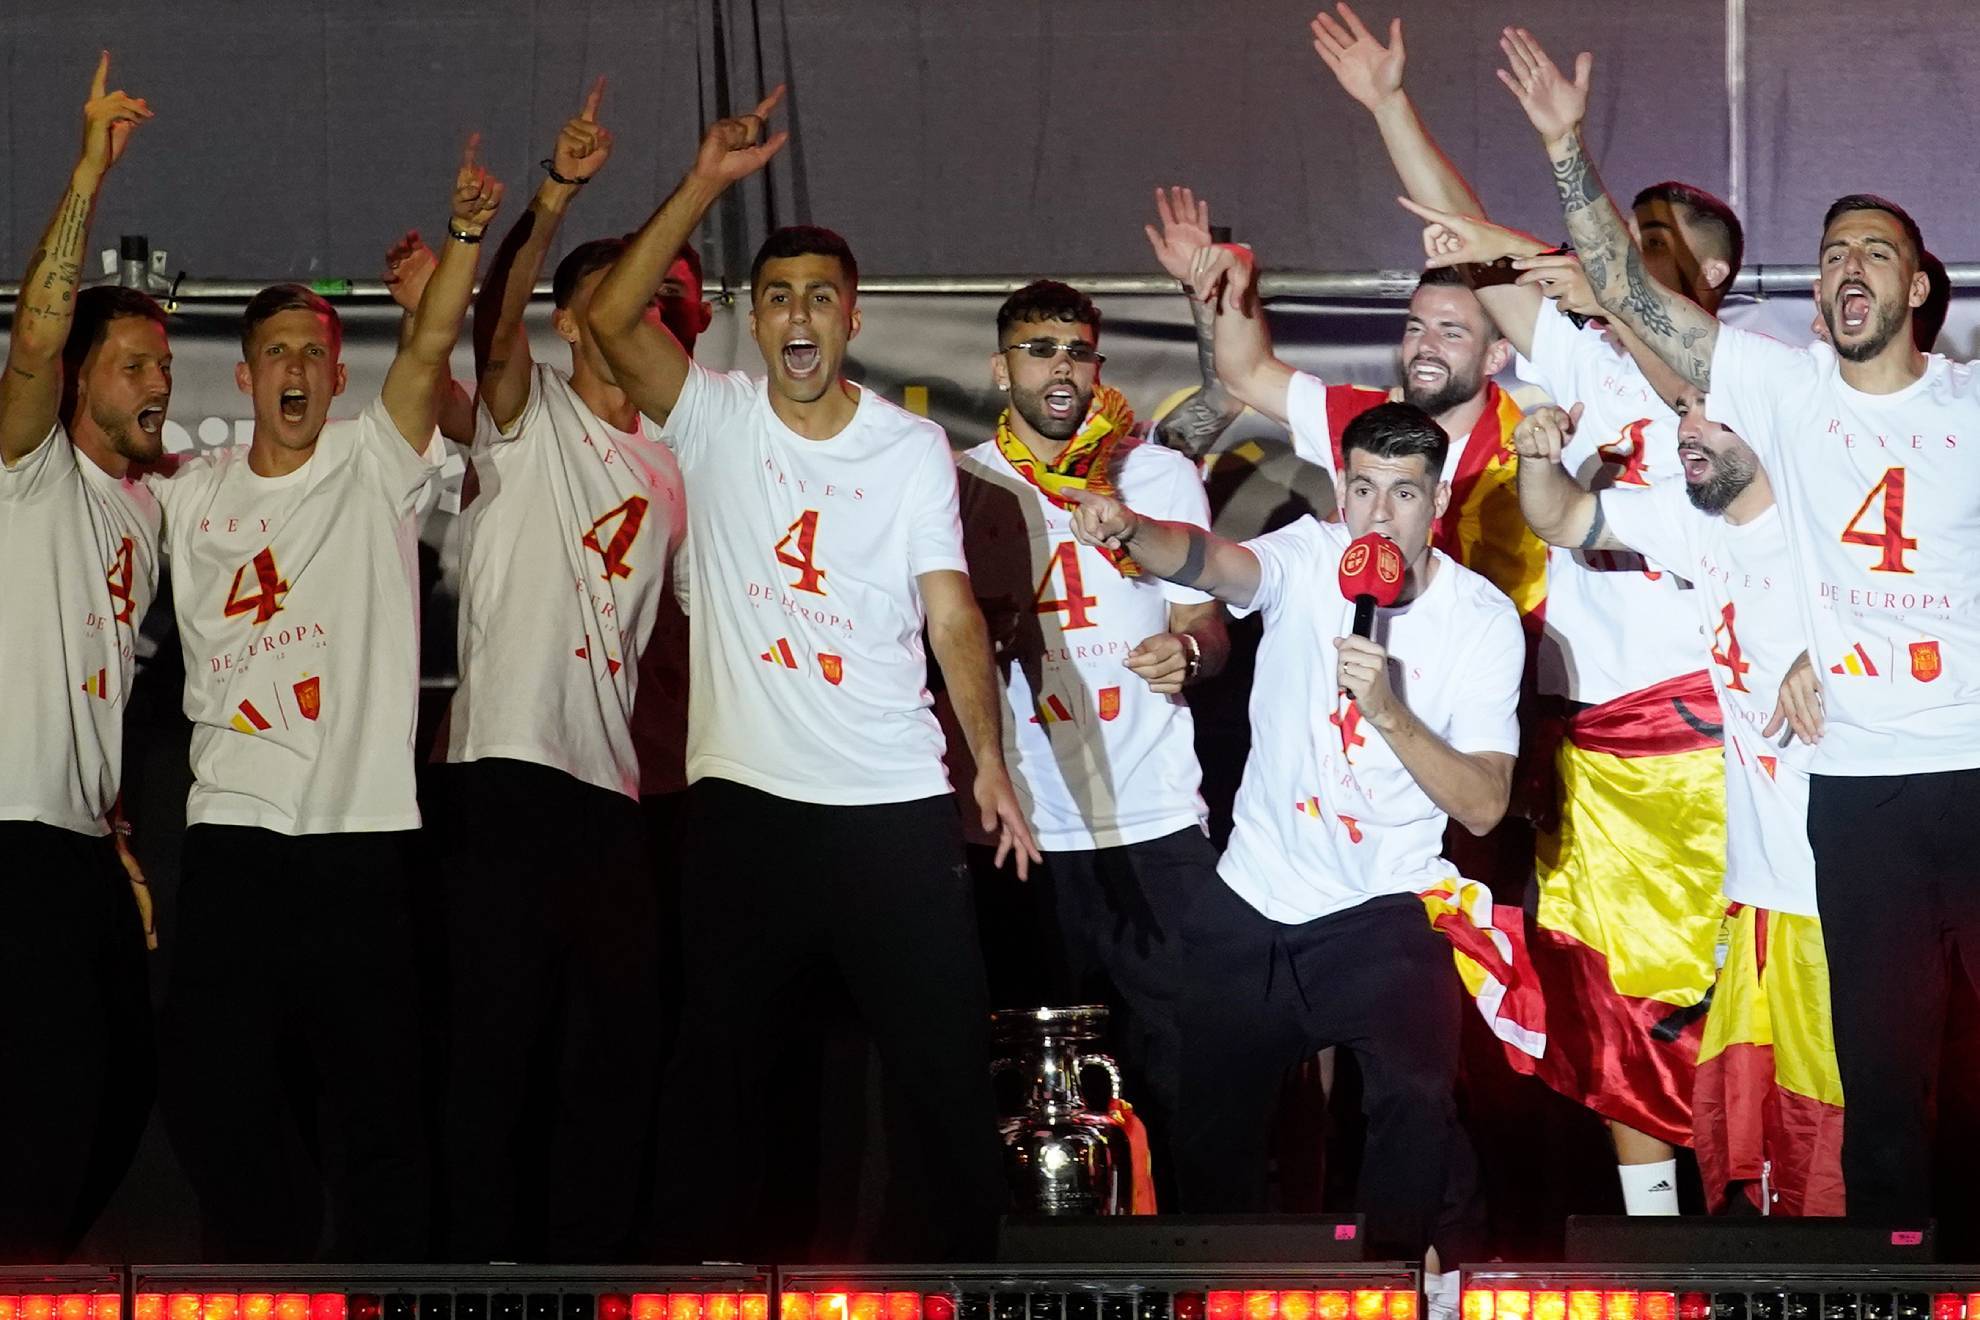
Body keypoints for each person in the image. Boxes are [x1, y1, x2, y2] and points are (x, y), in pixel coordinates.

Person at [1503, 21, 1980, 1220]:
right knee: (1880, 1083)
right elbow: (1622, 290)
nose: (1849, 267)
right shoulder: (1781, 387)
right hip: (1860, 777)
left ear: (1920, 287)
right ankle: (1891, 1289)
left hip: (1976, 762)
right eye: (1830, 255)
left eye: (1875, 251)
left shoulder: (1974, 410)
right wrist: (1568, 149)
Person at [586, 88, 1035, 1259]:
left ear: (850, 318)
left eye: (818, 299)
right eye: (776, 297)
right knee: (719, 1071)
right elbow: (610, 317)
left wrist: (989, 763)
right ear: (751, 316)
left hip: (891, 801)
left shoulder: (908, 446)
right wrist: (703, 188)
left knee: (941, 1068)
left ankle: (965, 1289)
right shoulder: (714, 415)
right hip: (746, 804)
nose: (798, 317)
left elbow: (952, 617)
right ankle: (710, 1284)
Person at [1327, 1, 1738, 1210]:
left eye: (1639, 246)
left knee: (1739, 1003)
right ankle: (1657, 1248)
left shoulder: (1756, 381)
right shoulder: (1585, 368)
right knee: (1609, 1005)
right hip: (1597, 747)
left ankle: (1763, 1236)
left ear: (1704, 279)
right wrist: (1390, 105)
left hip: (1721, 744)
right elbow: (1461, 240)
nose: (1603, 257)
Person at [1066, 393, 1521, 1266]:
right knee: (1209, 1154)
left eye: (1403, 494)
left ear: (1439, 498)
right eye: (1362, 489)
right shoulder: (1312, 556)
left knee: (1416, 1113)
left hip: (1384, 909)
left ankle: (1392, 1282)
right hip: (1253, 900)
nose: (1377, 515)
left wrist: (1389, 711)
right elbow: (1216, 566)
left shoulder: (1482, 620)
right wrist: (1127, 530)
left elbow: (1485, 804)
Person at [150, 136, 502, 1261]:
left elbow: (435, 341)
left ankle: (384, 1294)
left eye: (313, 350)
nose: (296, 369)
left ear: (338, 373)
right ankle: (266, 1278)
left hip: (361, 839)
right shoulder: (187, 494)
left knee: (382, 1116)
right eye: (275, 354)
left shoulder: (370, 461)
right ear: (243, 378)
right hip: (234, 838)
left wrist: (461, 236)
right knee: (216, 1102)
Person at [427, 79, 683, 1262]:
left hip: (613, 794)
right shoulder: (526, 420)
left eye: (666, 305)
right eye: (618, 301)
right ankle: (479, 1273)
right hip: (507, 770)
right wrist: (550, 199)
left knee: (618, 1050)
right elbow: (495, 330)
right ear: (579, 323)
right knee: (492, 1048)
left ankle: (591, 1271)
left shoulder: (677, 466)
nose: (647, 319)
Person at [1513, 393, 1841, 1215]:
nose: (1686, 430)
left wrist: (1832, 651)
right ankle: (1673, 1252)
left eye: (1713, 417)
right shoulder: (1697, 525)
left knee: (1828, 1106)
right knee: (1682, 1057)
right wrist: (1539, 456)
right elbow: (1562, 518)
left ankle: (1842, 1277)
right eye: (1684, 417)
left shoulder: (1828, 532)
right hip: (1751, 870)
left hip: (1827, 870)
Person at [955, 273, 1229, 1172]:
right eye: (1039, 350)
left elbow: (1208, 623)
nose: (1060, 369)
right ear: (1002, 369)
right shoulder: (964, 483)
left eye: (1076, 350)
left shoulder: (1154, 472)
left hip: (1154, 818)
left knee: (1189, 1080)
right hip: (1030, 827)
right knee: (1032, 1104)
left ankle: (1203, 1286)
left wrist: (1190, 657)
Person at [0, 53, 160, 1264]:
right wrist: (86, 174)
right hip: (11, 838)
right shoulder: (31, 468)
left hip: (83, 847)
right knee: (50, 1111)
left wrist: (119, 846)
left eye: (165, 364)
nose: (159, 383)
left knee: (121, 1095)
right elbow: (37, 333)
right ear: (77, 384)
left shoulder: (148, 511)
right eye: (135, 365)